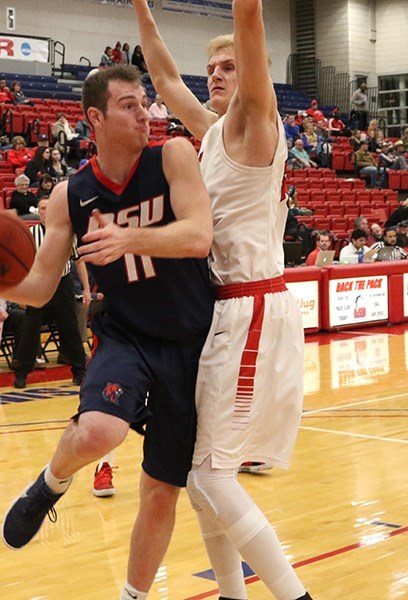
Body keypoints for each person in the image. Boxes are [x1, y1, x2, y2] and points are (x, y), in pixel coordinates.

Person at [0, 63, 217, 600]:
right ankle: (50, 483)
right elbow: (42, 286)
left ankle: (133, 595)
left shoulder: (173, 155)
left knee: (162, 490)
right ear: (94, 118)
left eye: (147, 102)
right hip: (125, 335)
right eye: (130, 105)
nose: (146, 112)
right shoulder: (69, 194)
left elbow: (198, 236)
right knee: (99, 432)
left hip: (190, 342)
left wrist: (130, 239)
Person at [135, 3, 314, 597]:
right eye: (210, 66)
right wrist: (141, 6)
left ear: (253, 72)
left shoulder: (256, 122)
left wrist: (245, 28)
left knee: (210, 476)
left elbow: (252, 22)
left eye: (229, 66)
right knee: (203, 474)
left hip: (251, 304)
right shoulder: (213, 135)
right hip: (231, 309)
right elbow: (162, 80)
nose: (215, 74)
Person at [12, 198, 89, 389]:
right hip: (38, 285)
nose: (45, 212)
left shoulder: (67, 233)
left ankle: (79, 370)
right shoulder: (30, 233)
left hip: (62, 284)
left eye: (48, 208)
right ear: (38, 212)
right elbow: (20, 266)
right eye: (42, 208)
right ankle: (21, 372)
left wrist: (87, 289)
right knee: (30, 328)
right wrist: (20, 293)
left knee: (70, 327)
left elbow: (79, 261)